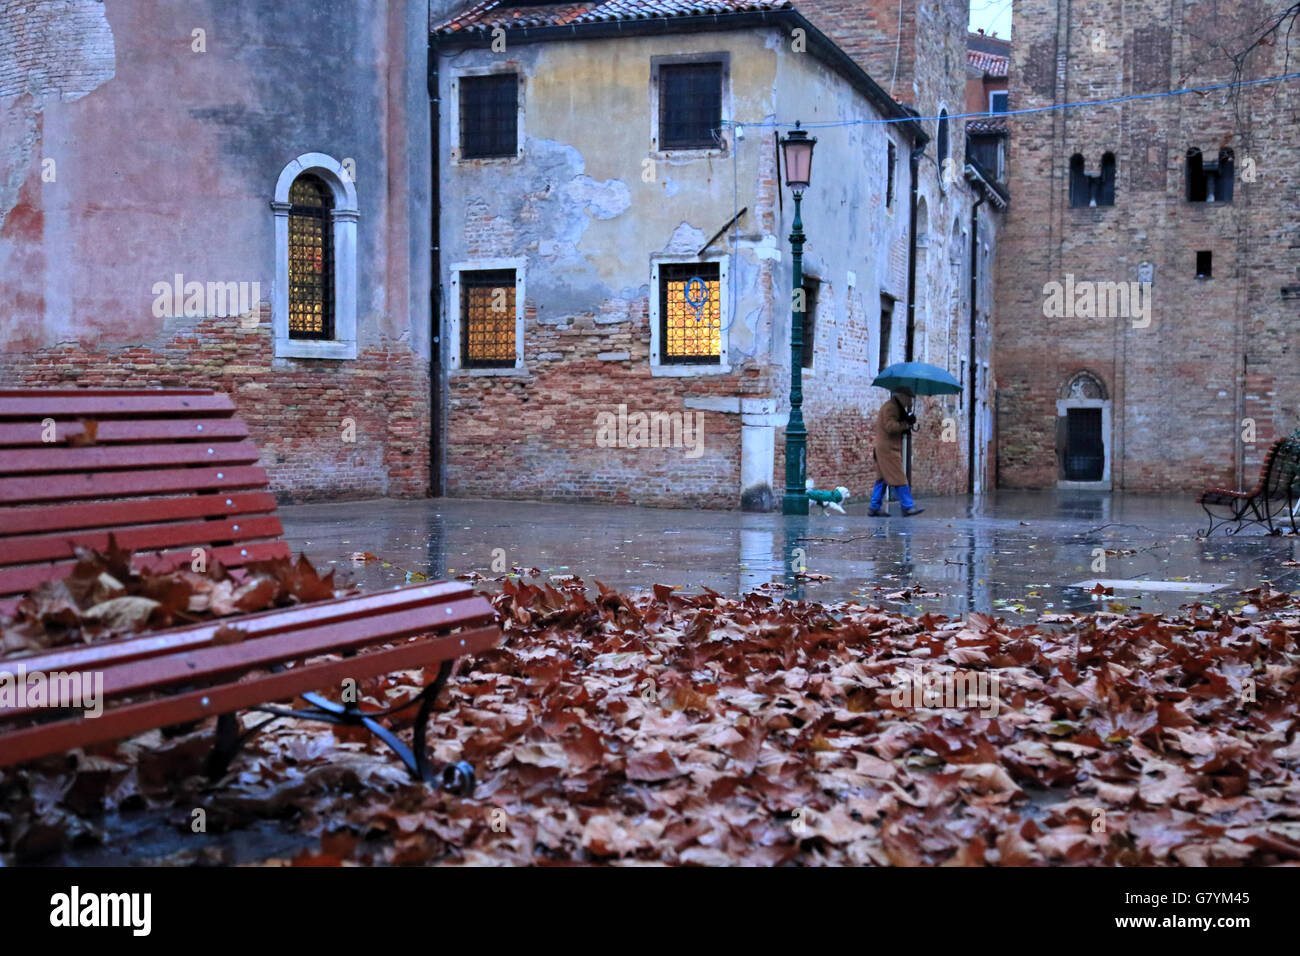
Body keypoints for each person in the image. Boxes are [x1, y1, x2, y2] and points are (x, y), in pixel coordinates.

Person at [869, 388, 924, 516]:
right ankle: (907, 506)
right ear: (903, 397)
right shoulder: (891, 408)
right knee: (899, 477)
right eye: (909, 398)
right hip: (888, 449)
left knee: (882, 478)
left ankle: (874, 507)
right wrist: (906, 424)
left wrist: (907, 420)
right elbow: (890, 427)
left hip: (884, 448)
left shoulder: (894, 407)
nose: (910, 402)